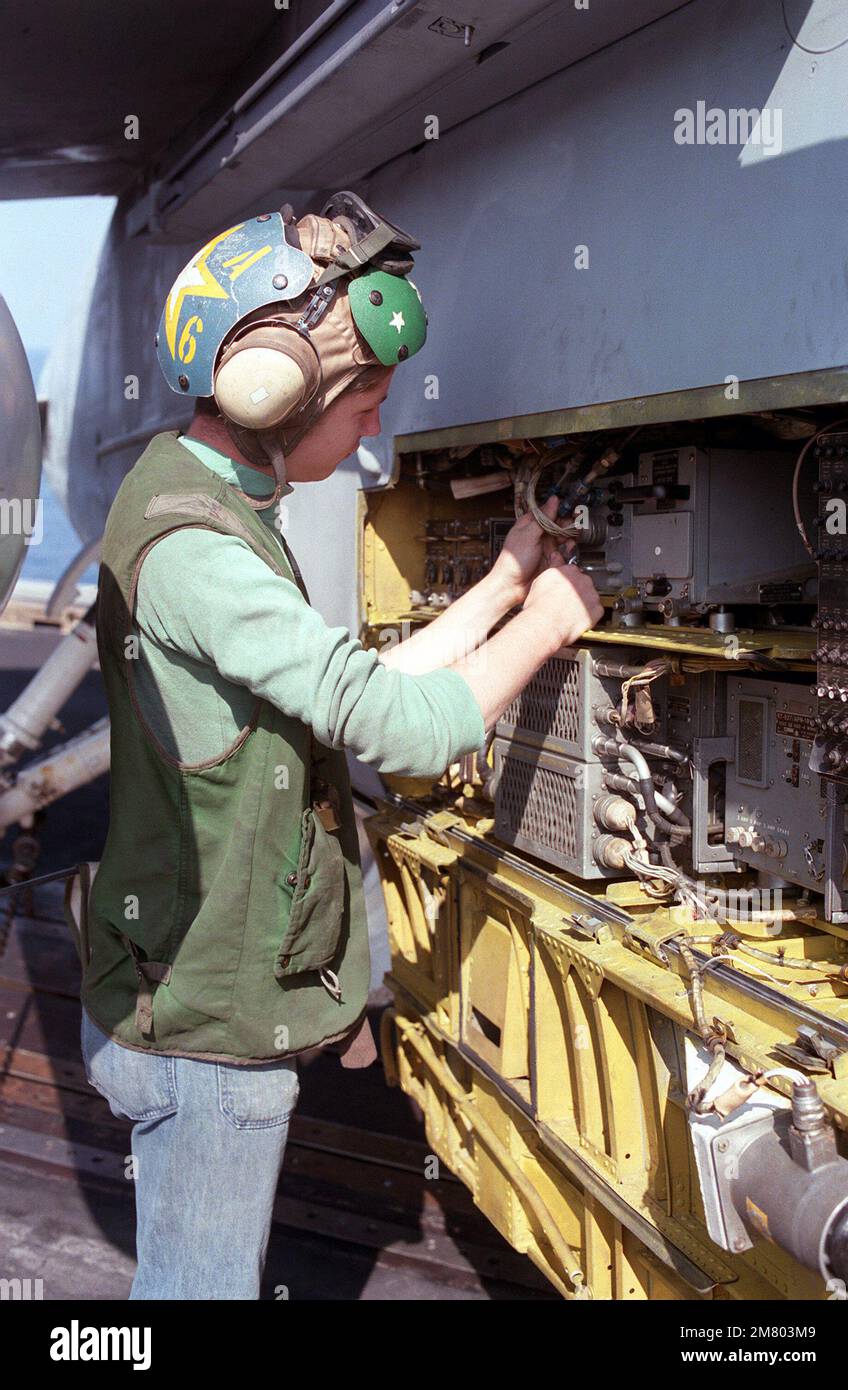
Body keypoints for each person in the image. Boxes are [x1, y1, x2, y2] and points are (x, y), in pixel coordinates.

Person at [75, 194, 602, 1299]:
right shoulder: (195, 552)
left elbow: (349, 694)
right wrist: (552, 624)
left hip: (188, 989)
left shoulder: (207, 499)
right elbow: (398, 730)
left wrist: (508, 581)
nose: (372, 427)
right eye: (363, 399)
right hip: (204, 1026)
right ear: (277, 390)